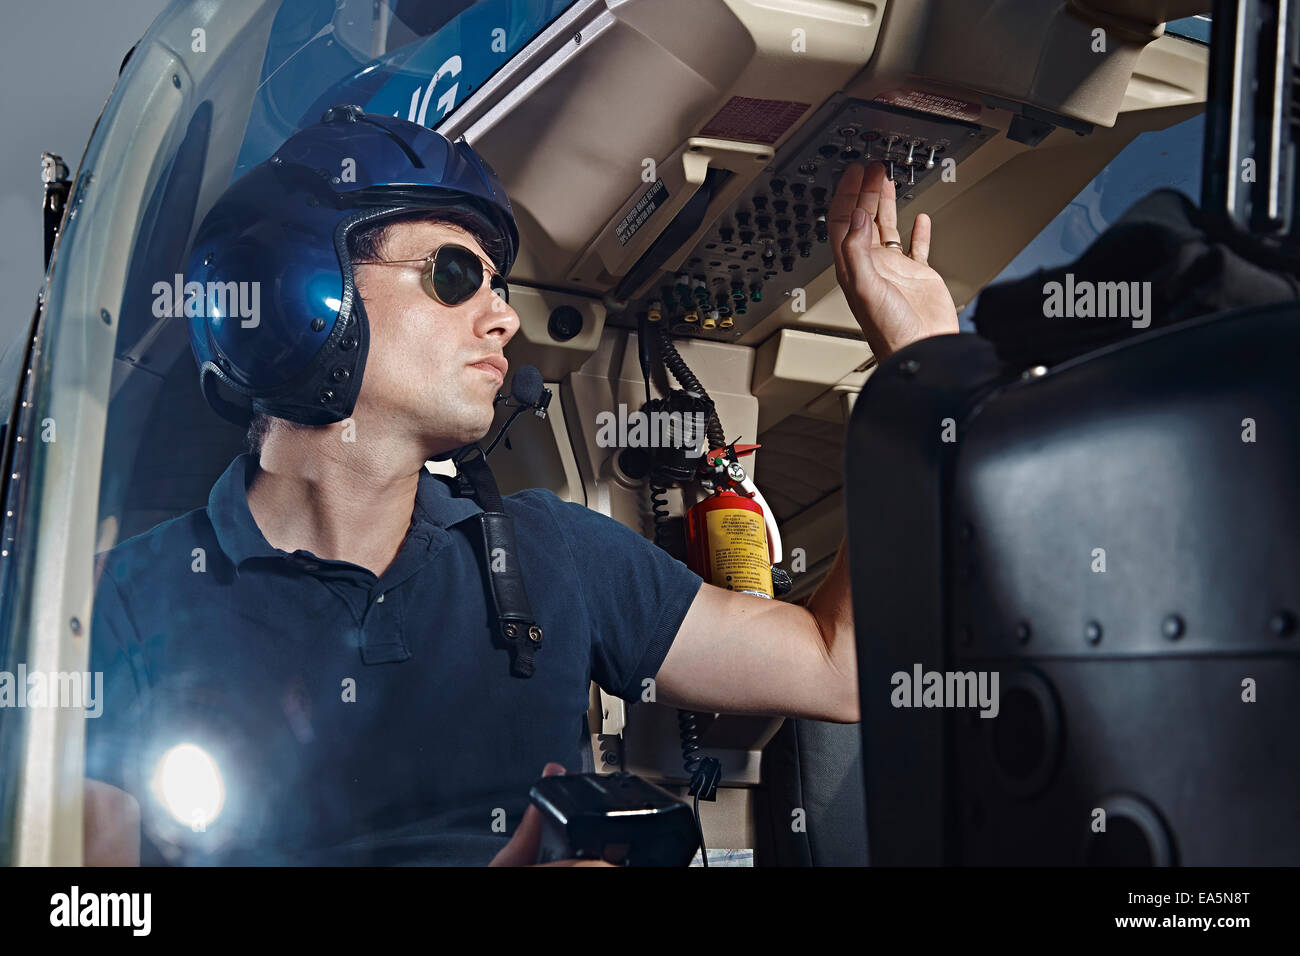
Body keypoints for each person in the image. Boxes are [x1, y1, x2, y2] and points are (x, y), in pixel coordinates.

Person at [83, 106, 958, 866]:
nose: (502, 316)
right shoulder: (124, 599)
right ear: (298, 289)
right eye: (455, 276)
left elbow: (838, 668)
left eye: (498, 287)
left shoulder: (555, 552)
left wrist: (918, 370)